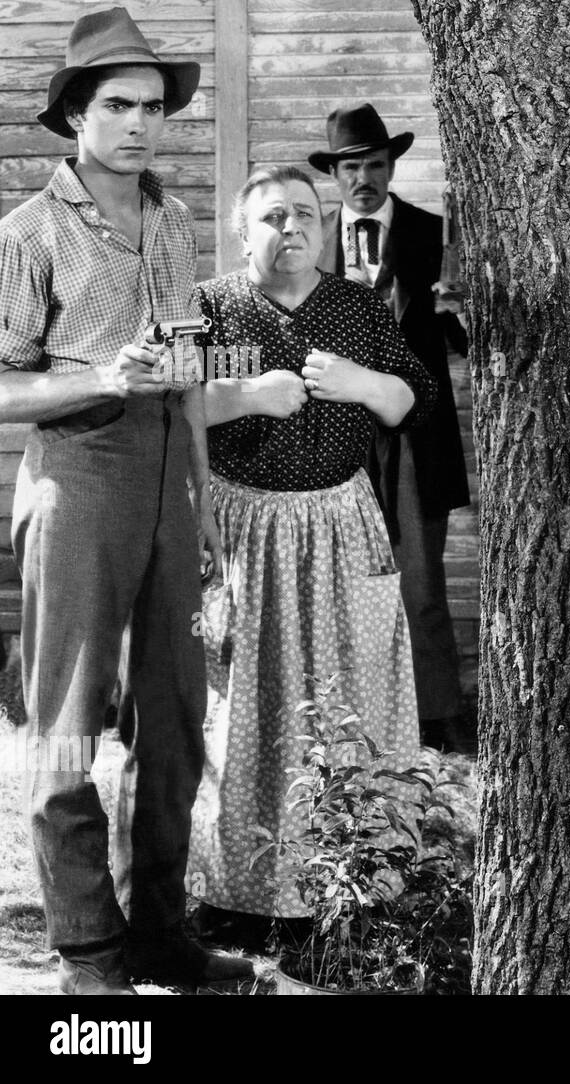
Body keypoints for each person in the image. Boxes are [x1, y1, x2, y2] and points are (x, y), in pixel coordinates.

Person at [0, 6, 252, 994]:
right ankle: (87, 954)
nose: (141, 123)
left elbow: (186, 371)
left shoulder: (174, 217)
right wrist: (104, 375)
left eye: (154, 107)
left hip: (167, 474)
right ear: (73, 115)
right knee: (68, 719)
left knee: (178, 715)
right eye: (118, 105)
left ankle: (159, 930)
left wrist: (204, 498)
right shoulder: (27, 233)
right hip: (76, 475)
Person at [184, 165, 437, 929]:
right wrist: (246, 395)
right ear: (241, 231)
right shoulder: (212, 308)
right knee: (242, 704)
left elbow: (411, 402)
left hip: (339, 523)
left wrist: (361, 380)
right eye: (271, 217)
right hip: (245, 522)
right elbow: (175, 405)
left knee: (353, 694)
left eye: (305, 215)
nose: (290, 228)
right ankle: (234, 894)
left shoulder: (358, 309)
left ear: (324, 230)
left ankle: (360, 886)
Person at [309, 103, 474, 752]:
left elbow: (463, 342)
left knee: (420, 587)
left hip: (413, 439)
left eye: (375, 165)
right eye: (351, 168)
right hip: (336, 442)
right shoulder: (312, 245)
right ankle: (348, 727)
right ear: (335, 175)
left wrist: (456, 313)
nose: (363, 180)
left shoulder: (433, 237)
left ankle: (434, 725)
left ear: (391, 166)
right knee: (338, 586)